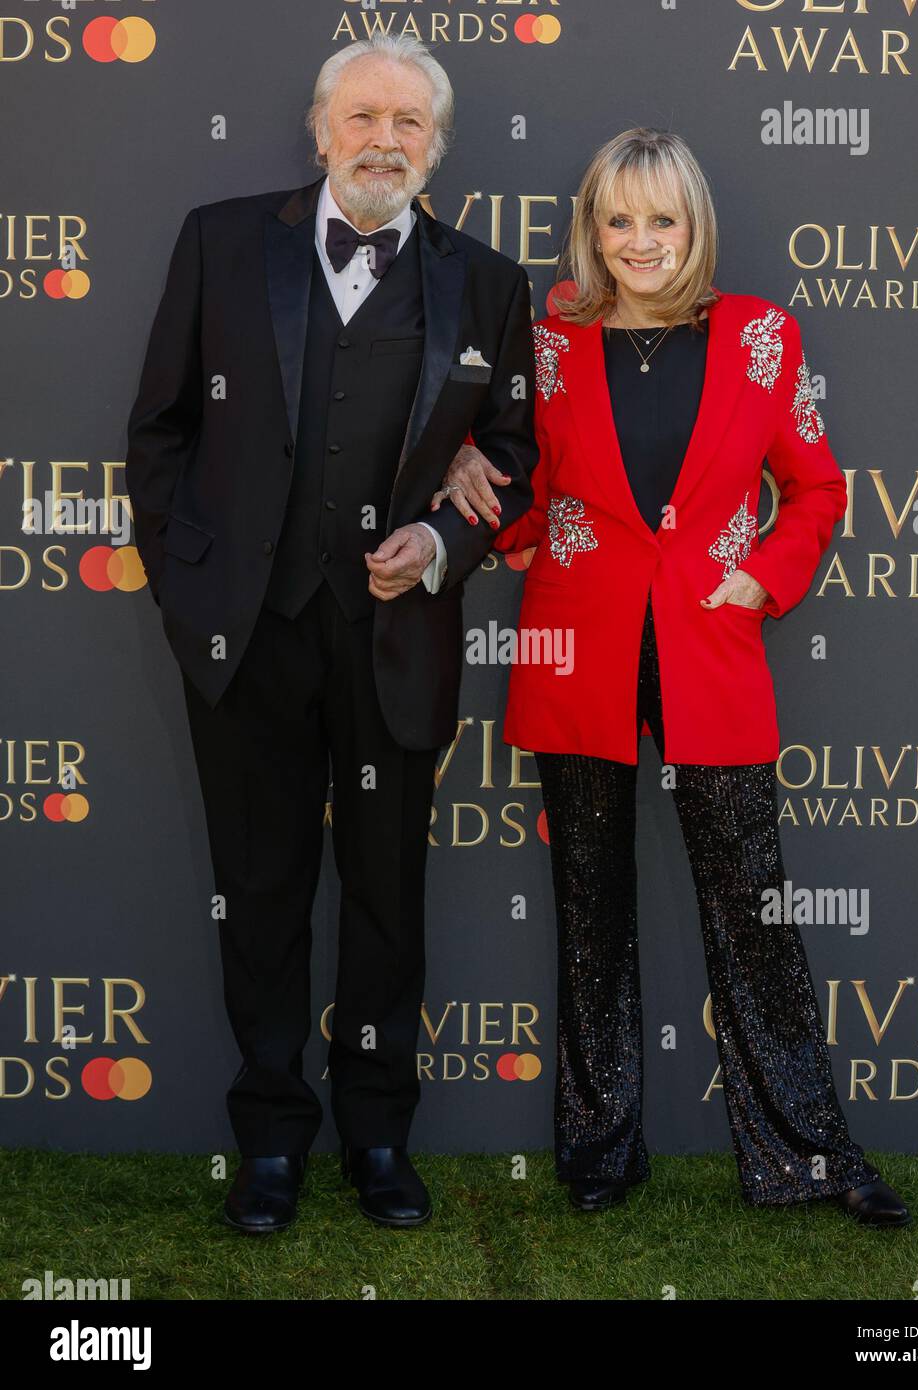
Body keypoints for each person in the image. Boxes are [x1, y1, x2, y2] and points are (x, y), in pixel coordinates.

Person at [432, 128, 910, 1227]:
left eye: (662, 220)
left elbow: (817, 490)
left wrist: (762, 578)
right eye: (618, 220)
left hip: (711, 650)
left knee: (752, 913)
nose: (639, 242)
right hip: (574, 653)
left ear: (693, 226)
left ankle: (809, 1153)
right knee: (588, 909)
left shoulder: (759, 337)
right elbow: (516, 474)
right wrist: (468, 471)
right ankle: (599, 1147)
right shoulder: (547, 339)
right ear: (590, 230)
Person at [125, 34, 536, 1233]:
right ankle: (268, 1140)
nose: (383, 140)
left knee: (385, 898)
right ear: (318, 130)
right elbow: (156, 435)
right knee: (258, 893)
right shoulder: (220, 240)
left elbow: (510, 456)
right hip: (248, 637)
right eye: (362, 117)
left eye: (410, 124)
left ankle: (375, 1135)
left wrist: (445, 548)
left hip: (394, 639)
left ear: (438, 149)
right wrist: (191, 589)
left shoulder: (486, 282)